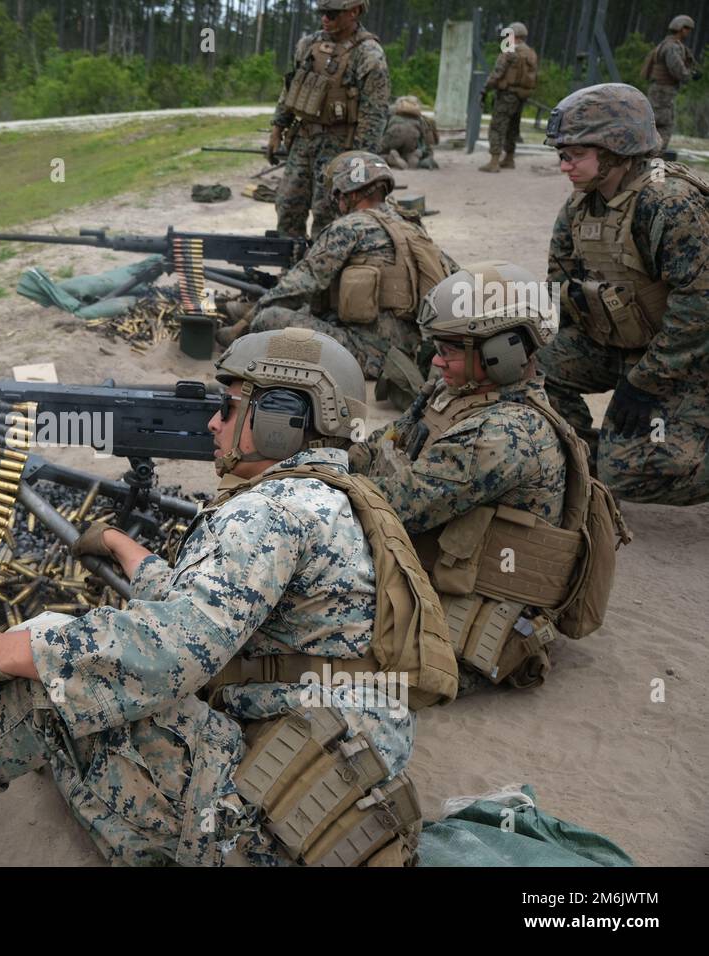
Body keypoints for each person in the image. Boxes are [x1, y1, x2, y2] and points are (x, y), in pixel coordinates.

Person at [0, 329, 456, 867]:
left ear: (281, 420)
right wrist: (135, 554)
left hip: (263, 832)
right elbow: (220, 618)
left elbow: (168, 651)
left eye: (229, 408)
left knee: (43, 677)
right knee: (78, 661)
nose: (215, 426)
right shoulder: (338, 499)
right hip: (328, 797)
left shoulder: (271, 512)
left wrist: (6, 652)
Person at [352, 262, 595, 690]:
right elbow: (386, 442)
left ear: (504, 351)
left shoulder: (504, 435)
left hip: (478, 616)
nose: (437, 360)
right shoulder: (457, 394)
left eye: (449, 349)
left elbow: (391, 509)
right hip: (439, 568)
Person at [537, 83, 709, 506]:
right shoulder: (582, 205)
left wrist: (646, 383)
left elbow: (699, 307)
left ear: (614, 149)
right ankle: (577, 449)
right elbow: (559, 287)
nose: (564, 167)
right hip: (618, 345)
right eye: (562, 155)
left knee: (625, 477)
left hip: (686, 361)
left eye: (574, 155)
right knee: (524, 367)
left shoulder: (670, 203)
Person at [230, 151, 456, 409]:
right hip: (408, 350)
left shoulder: (349, 227)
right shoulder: (411, 225)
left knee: (268, 319)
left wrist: (247, 320)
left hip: (368, 353)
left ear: (347, 194)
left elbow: (300, 284)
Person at [269, 0, 389, 240]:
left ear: (354, 12)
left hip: (340, 147)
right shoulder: (308, 45)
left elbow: (374, 113)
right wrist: (277, 128)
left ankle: (322, 269)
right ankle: (289, 269)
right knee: (287, 206)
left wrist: (360, 162)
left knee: (329, 214)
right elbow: (292, 89)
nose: (325, 19)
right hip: (303, 140)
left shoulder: (369, 54)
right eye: (322, 13)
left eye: (332, 14)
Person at [480, 22, 538, 173]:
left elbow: (497, 73)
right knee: (513, 127)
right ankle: (509, 158)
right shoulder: (531, 53)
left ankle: (494, 161)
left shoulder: (509, 51)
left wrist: (485, 89)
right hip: (521, 96)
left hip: (506, 95)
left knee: (497, 127)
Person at [642, 14, 701, 154]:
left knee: (655, 124)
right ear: (681, 29)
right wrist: (690, 76)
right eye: (687, 29)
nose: (688, 32)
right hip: (664, 91)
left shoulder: (667, 44)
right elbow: (677, 70)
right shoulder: (672, 47)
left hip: (660, 90)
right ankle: (654, 159)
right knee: (664, 125)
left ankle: (649, 159)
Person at [383, 96, 438, 170]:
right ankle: (412, 156)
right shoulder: (421, 118)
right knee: (412, 150)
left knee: (378, 153)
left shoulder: (392, 112)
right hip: (412, 140)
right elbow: (429, 140)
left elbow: (383, 128)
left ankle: (391, 158)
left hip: (393, 136)